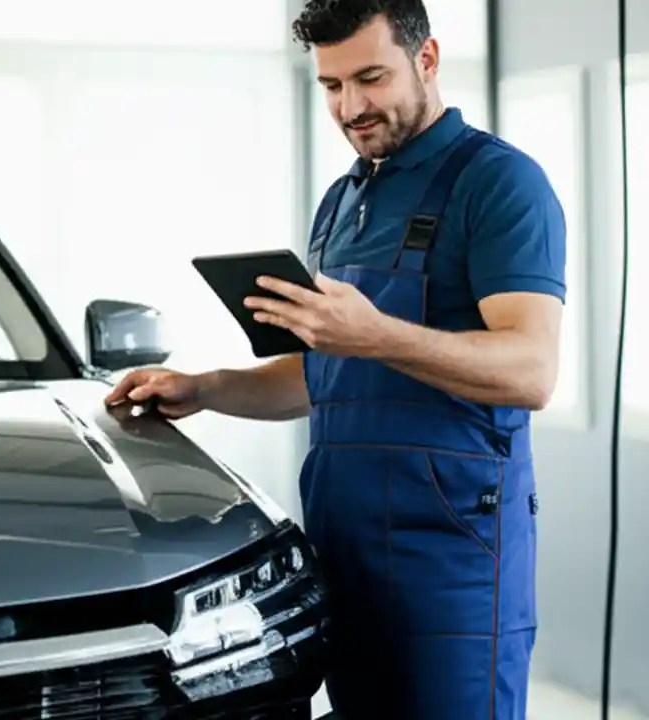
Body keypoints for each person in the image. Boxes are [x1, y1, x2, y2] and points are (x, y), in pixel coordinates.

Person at [105, 0, 566, 717]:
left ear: (428, 60)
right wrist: (206, 386)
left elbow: (531, 370)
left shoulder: (500, 184)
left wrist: (374, 332)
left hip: (452, 556)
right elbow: (328, 375)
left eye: (371, 78)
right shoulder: (342, 200)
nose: (351, 106)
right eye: (331, 86)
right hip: (343, 544)